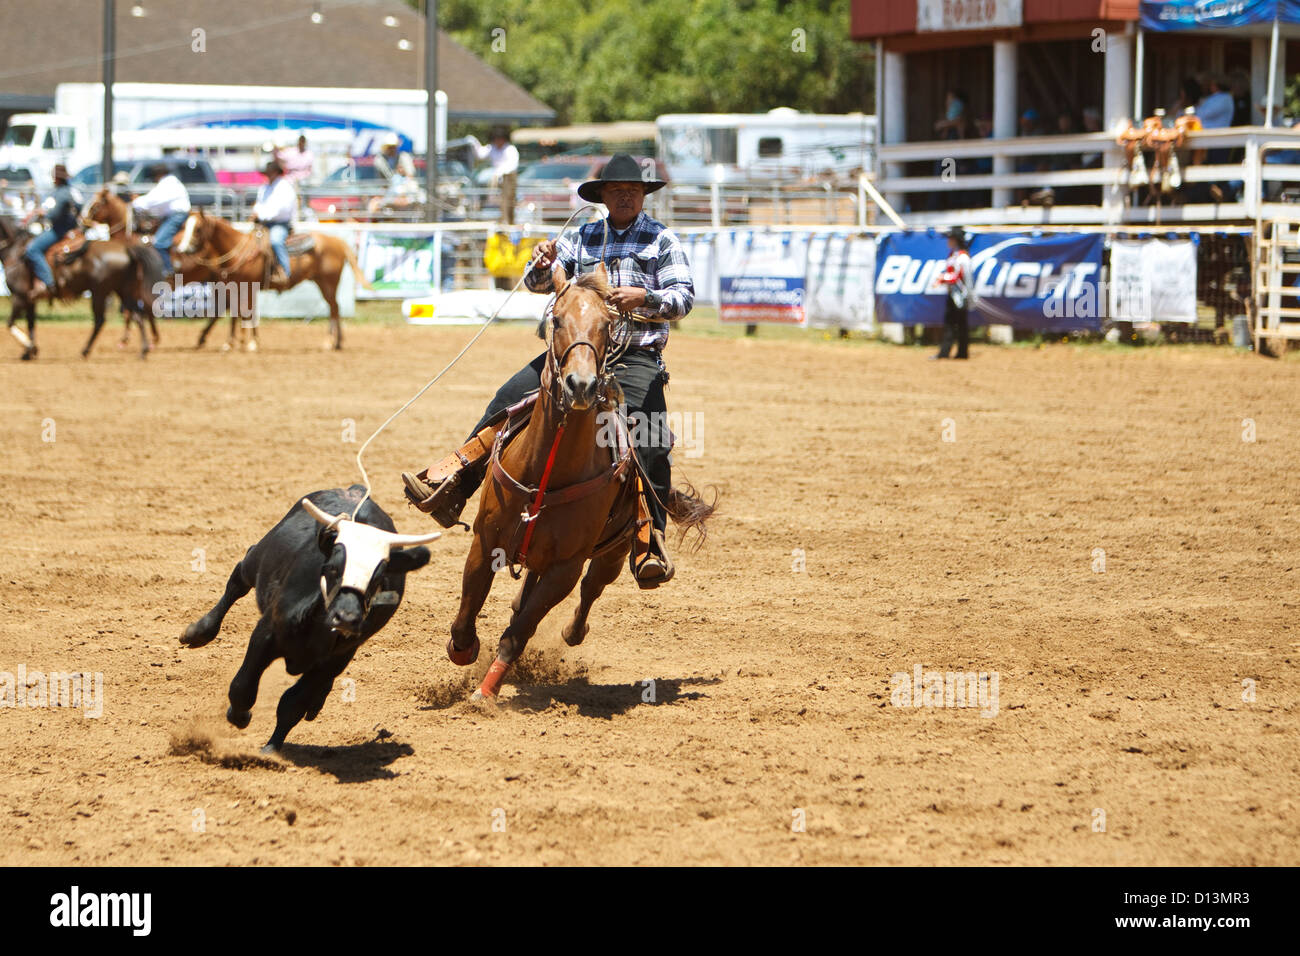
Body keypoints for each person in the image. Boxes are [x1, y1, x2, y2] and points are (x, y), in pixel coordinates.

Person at [400, 154, 694, 588]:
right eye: (617, 190)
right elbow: (539, 284)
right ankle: (456, 484)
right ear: (603, 196)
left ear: (643, 195)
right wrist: (540, 263)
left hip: (635, 356)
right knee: (508, 398)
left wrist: (645, 298)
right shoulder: (582, 236)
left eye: (633, 190)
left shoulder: (662, 240)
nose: (626, 196)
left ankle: (649, 540)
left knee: (648, 435)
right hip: (575, 351)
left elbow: (684, 298)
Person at [21, 163, 81, 300]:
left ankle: (48, 282)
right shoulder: (69, 191)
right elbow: (79, 206)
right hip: (66, 227)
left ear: (57, 178)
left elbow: (55, 215)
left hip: (59, 229)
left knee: (32, 249)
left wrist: (43, 214)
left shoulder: (61, 193)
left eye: (54, 177)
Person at [131, 163, 190, 277]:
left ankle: (167, 271)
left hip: (176, 216)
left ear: (159, 174)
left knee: (159, 243)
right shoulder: (170, 183)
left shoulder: (167, 184)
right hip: (173, 215)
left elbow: (152, 201)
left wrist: (136, 202)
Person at [251, 159, 295, 285]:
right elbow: (259, 204)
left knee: (276, 240)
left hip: (279, 223)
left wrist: (261, 215)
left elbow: (282, 209)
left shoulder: (285, 187)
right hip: (263, 223)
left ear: (276, 172)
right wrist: (256, 212)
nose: (268, 175)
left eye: (269, 173)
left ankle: (285, 271)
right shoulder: (264, 188)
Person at [931, 226, 972, 360]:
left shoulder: (962, 257)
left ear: (956, 240)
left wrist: (942, 278)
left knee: (959, 324)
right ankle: (947, 352)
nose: (948, 241)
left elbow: (958, 277)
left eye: (950, 238)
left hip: (960, 296)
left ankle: (961, 352)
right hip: (953, 294)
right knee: (952, 323)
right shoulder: (953, 255)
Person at [467, 126, 519, 223]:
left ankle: (507, 221)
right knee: (480, 181)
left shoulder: (510, 149)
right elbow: (480, 154)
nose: (497, 141)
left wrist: (499, 172)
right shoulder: (492, 148)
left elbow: (513, 165)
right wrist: (474, 142)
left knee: (507, 201)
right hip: (495, 176)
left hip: (508, 177)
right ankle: (482, 209)